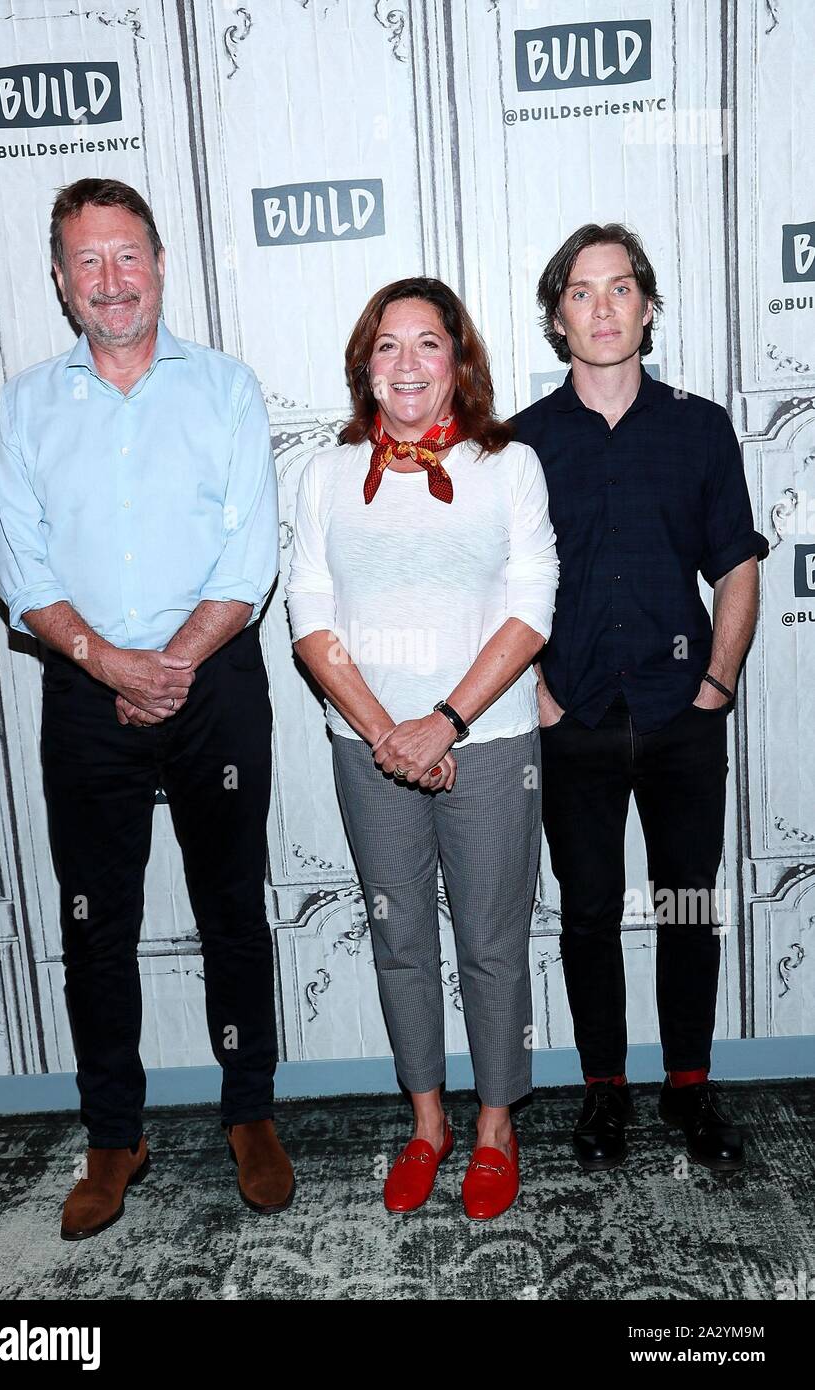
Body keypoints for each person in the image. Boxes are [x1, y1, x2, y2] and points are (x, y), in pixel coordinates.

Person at [0, 177, 292, 1237]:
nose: (111, 281)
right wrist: (112, 666)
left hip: (212, 686)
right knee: (94, 922)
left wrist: (164, 665)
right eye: (88, 262)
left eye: (128, 257)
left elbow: (249, 557)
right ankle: (114, 1133)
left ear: (160, 265)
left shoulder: (226, 389)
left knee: (229, 908)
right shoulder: (24, 404)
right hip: (83, 695)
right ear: (62, 284)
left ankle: (249, 1109)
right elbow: (20, 574)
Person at [285, 276, 558, 1219]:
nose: (407, 363)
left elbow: (531, 610)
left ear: (461, 360)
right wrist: (387, 734)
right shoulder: (324, 475)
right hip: (368, 749)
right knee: (401, 941)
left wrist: (442, 722)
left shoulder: (509, 466)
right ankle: (427, 1123)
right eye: (388, 345)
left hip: (488, 742)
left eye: (428, 344)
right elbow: (311, 618)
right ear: (366, 361)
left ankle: (494, 1127)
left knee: (490, 943)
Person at [509, 223, 768, 1174]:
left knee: (688, 906)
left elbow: (737, 565)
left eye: (621, 289)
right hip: (572, 715)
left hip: (680, 718)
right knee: (586, 915)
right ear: (557, 315)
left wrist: (717, 685)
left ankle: (690, 1087)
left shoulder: (698, 427)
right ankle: (605, 1090)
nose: (604, 308)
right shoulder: (524, 444)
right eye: (582, 292)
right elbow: (507, 585)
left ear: (648, 307)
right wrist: (537, 691)